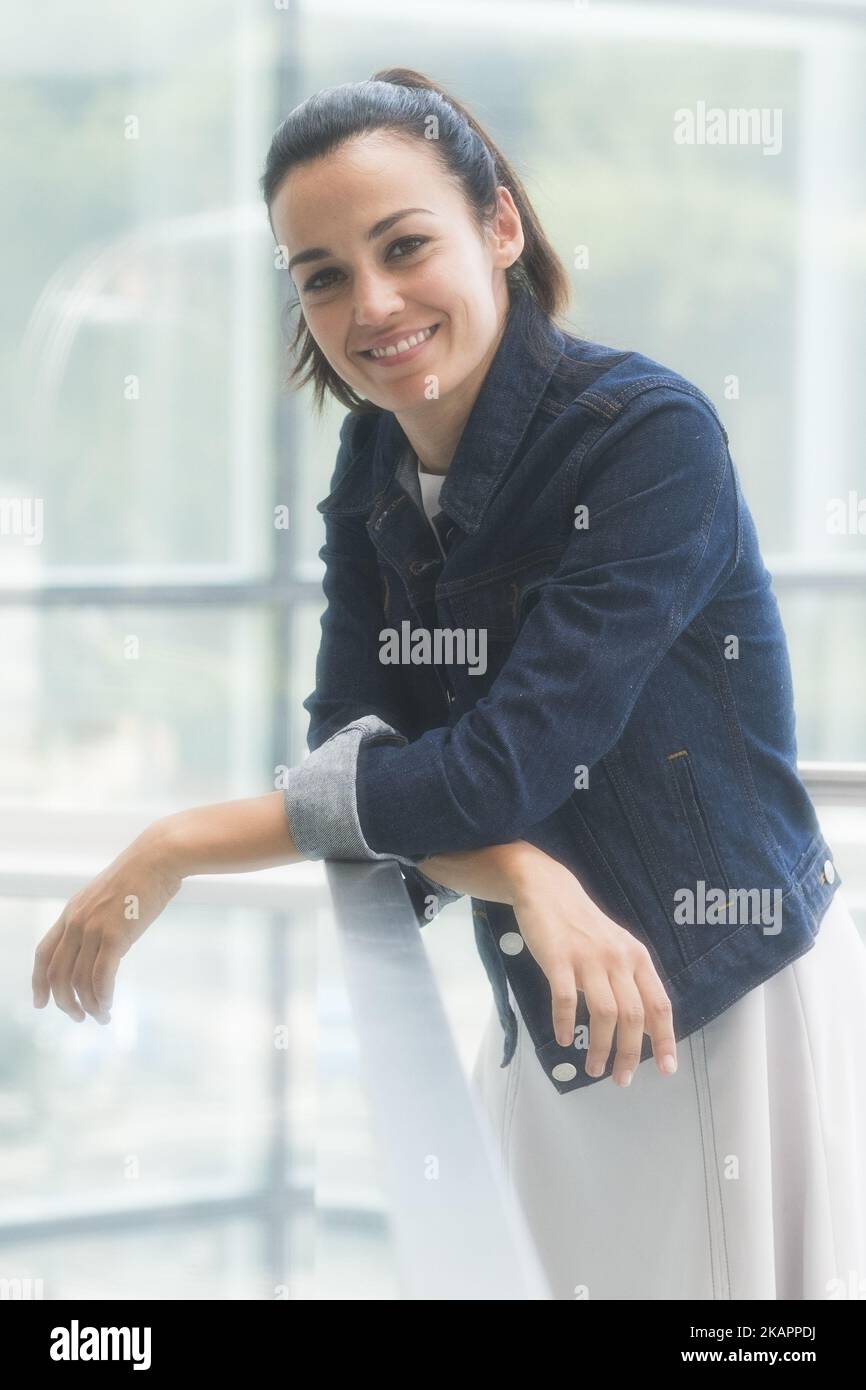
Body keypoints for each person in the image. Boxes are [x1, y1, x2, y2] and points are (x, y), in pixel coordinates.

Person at [32, 67, 866, 1301]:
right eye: (320, 274)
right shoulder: (374, 455)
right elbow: (350, 757)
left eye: (403, 244)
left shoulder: (646, 438)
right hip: (546, 996)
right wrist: (522, 872)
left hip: (700, 1006)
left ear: (500, 230)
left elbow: (498, 771)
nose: (369, 303)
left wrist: (180, 842)